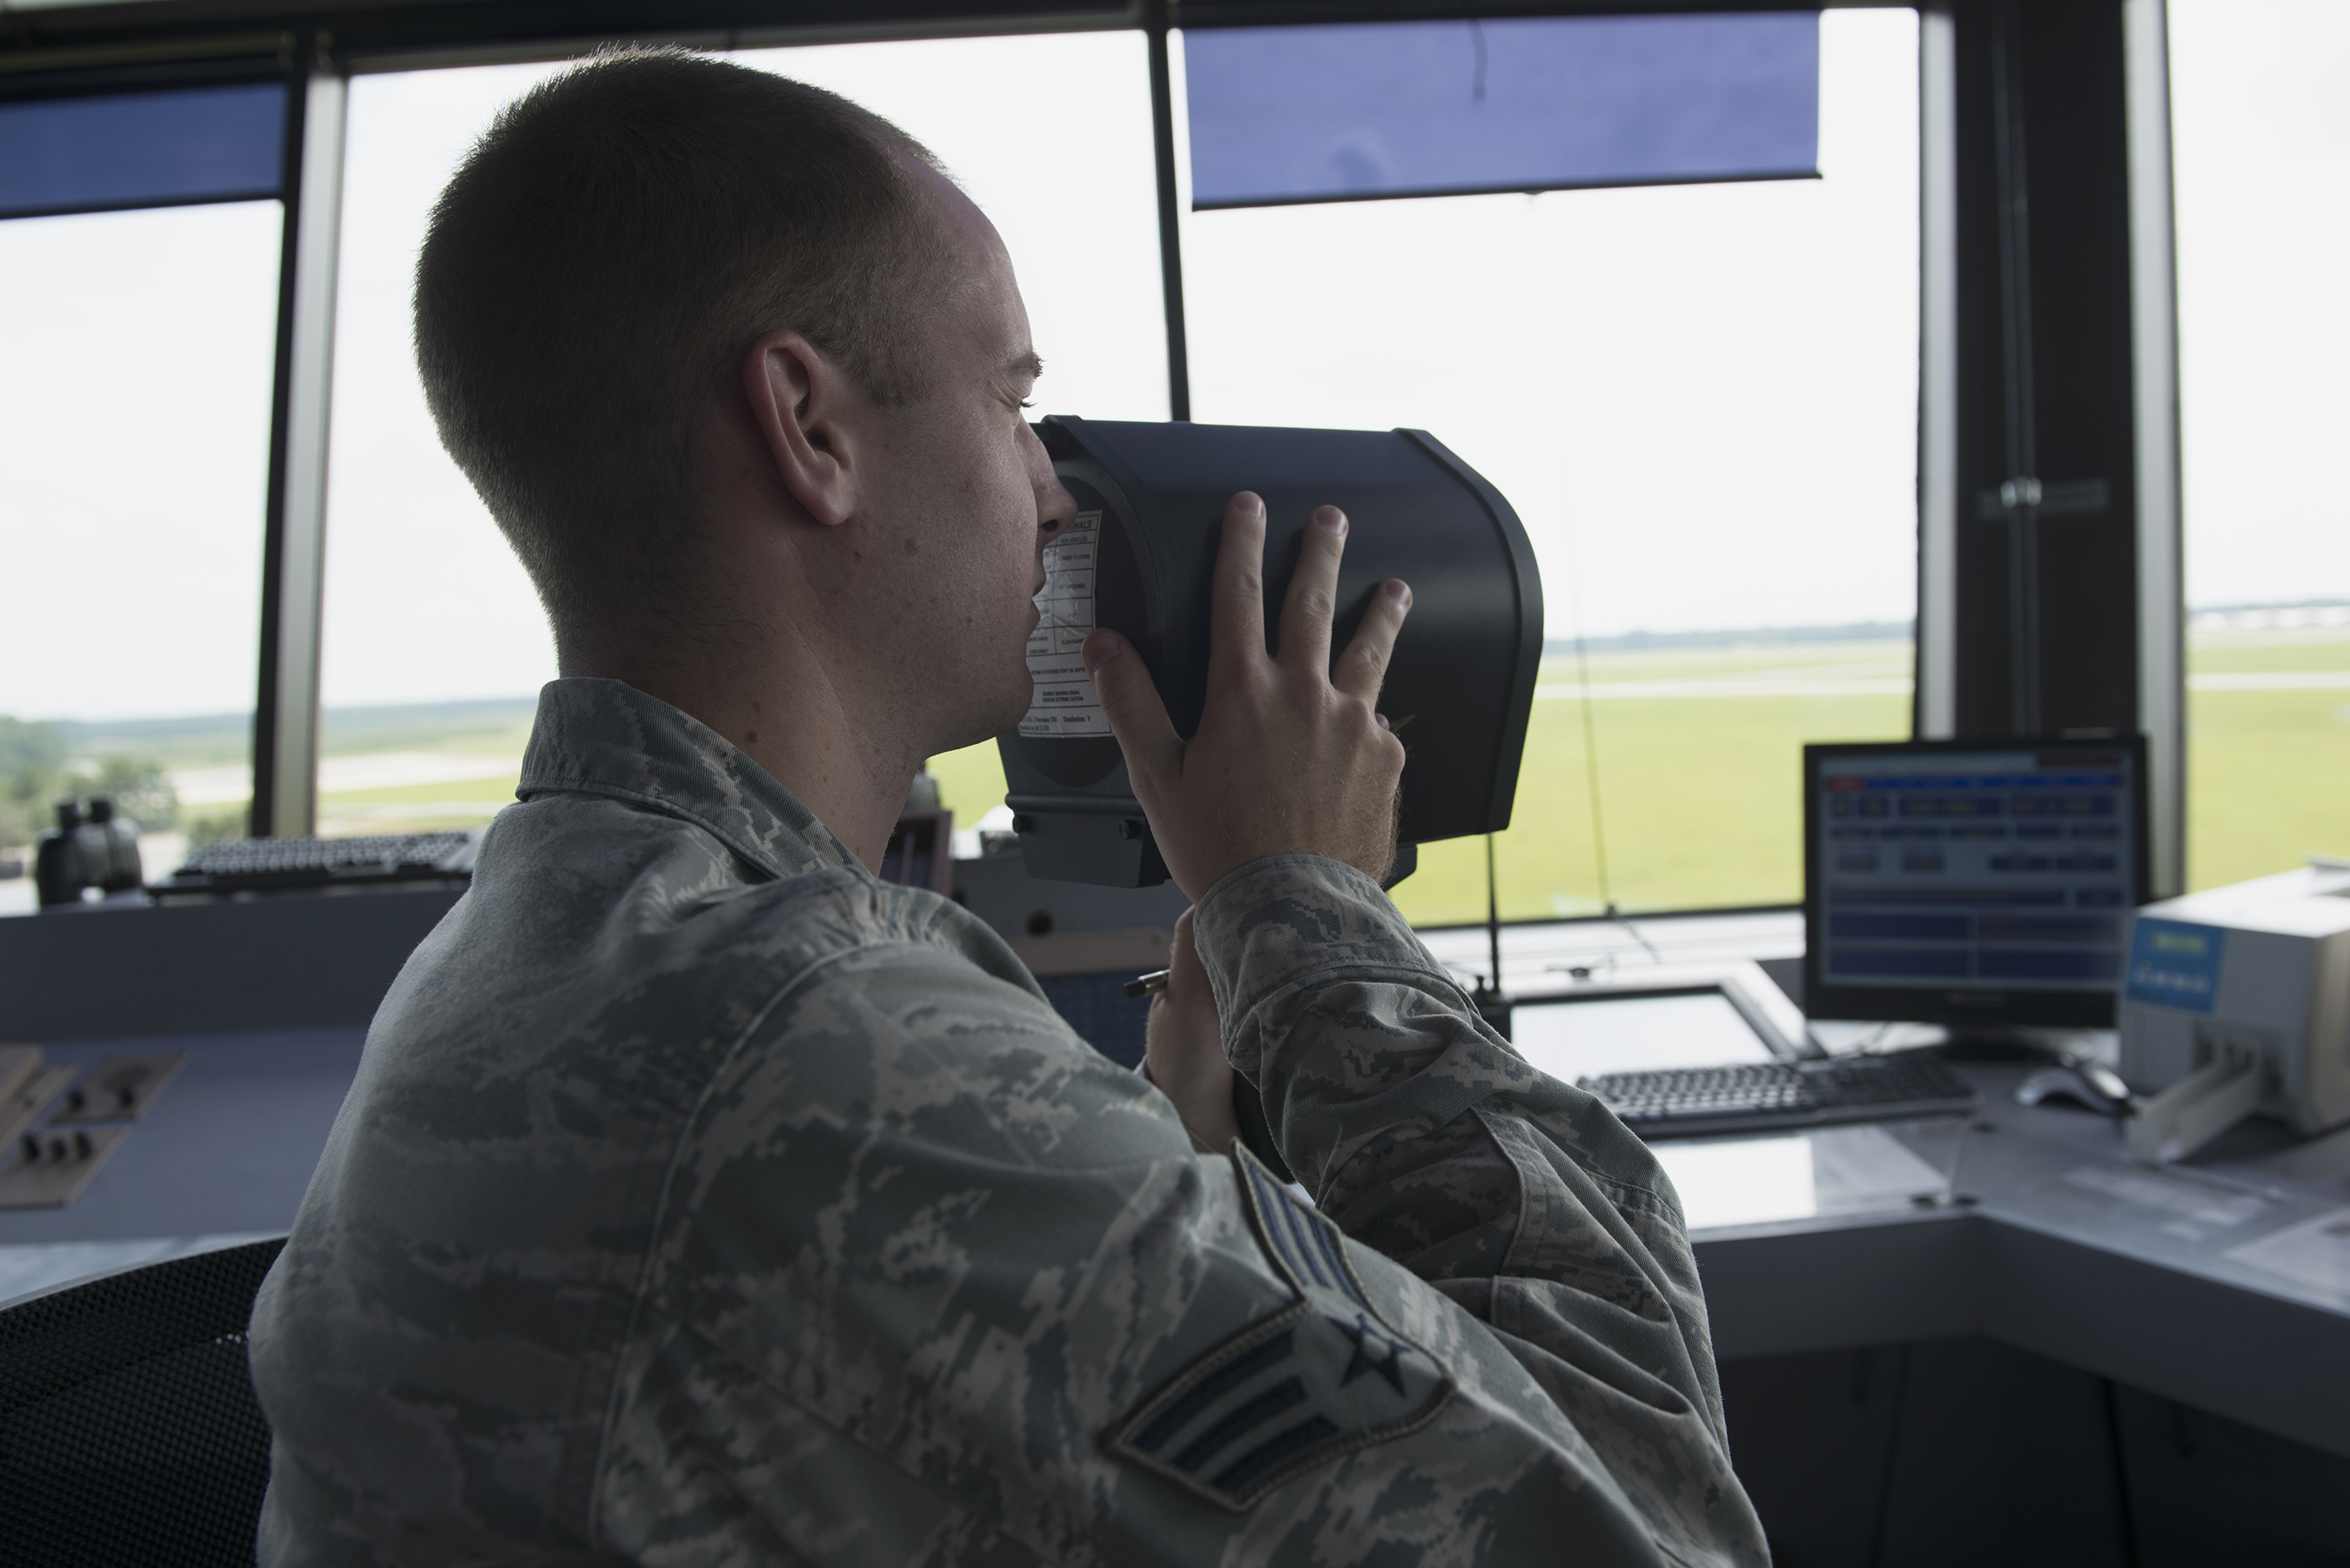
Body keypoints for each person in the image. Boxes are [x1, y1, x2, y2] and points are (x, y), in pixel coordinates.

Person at [245, 47, 1767, 1567]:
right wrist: (1305, 912)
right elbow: (1644, 1517)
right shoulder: (813, 1046)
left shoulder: (529, 942)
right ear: (809, 427)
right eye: (1011, 397)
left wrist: (1162, 1161)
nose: (1051, 488)